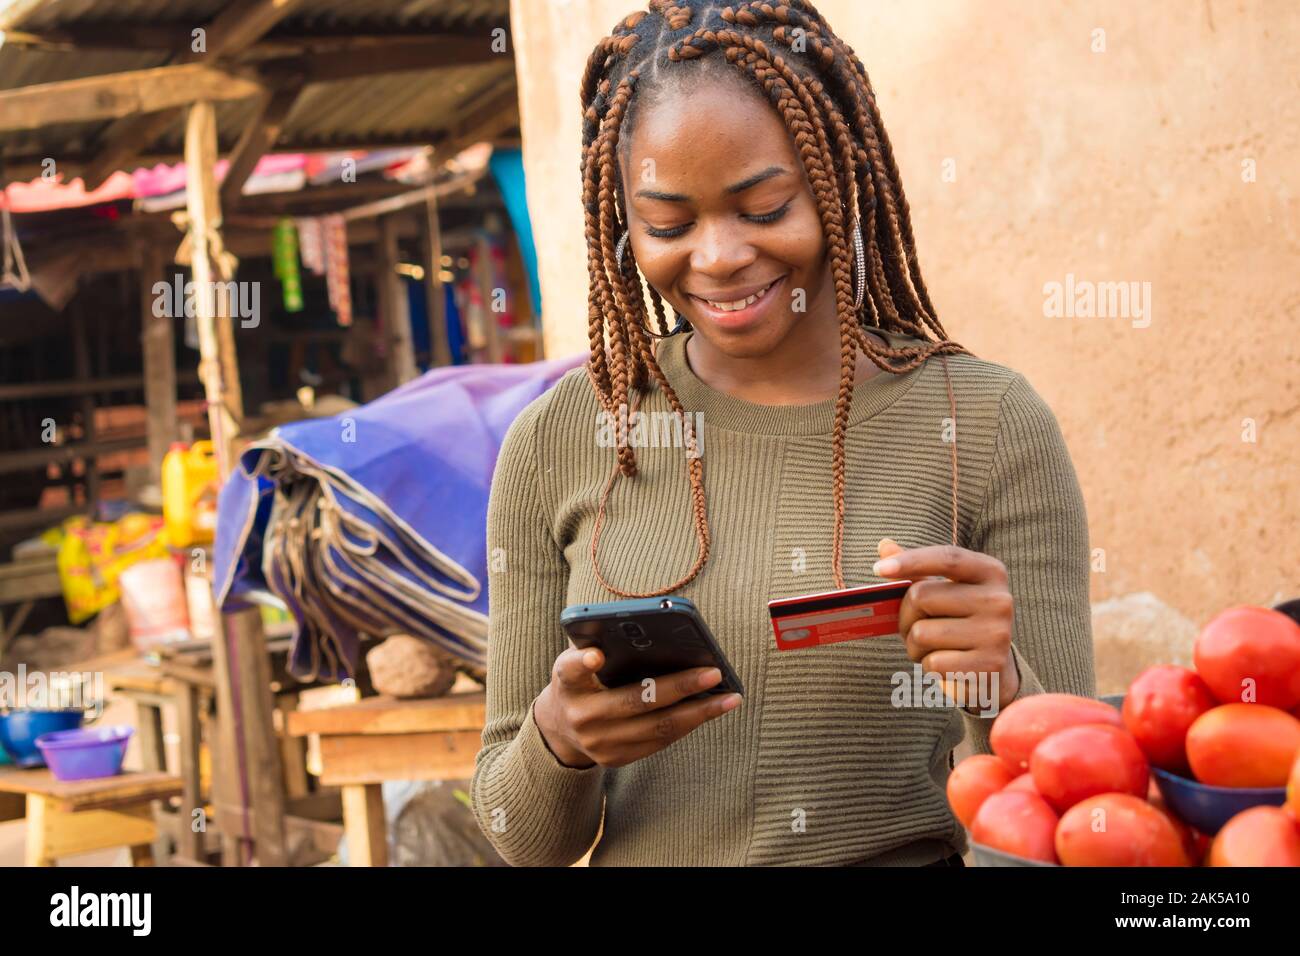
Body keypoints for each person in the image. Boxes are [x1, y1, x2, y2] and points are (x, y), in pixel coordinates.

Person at [471, 0, 1094, 866]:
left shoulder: (987, 424)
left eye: (764, 208)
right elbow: (515, 837)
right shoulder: (565, 438)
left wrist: (1005, 683)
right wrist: (558, 739)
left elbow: (1083, 804)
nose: (719, 256)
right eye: (668, 224)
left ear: (840, 182)